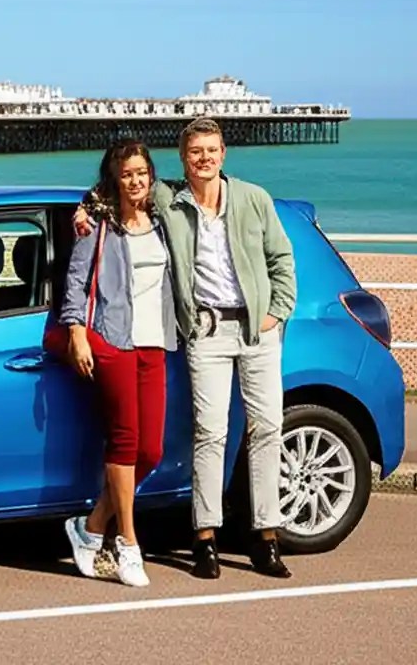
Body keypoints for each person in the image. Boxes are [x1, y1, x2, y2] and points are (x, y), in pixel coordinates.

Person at [75, 118, 296, 579]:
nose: (204, 158)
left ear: (224, 153)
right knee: (210, 434)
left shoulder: (254, 199)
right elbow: (121, 187)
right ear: (182, 159)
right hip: (207, 331)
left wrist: (277, 311)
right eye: (195, 151)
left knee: (268, 429)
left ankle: (266, 537)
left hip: (257, 330)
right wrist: (85, 208)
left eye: (211, 150)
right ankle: (205, 538)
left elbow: (282, 259)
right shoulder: (169, 200)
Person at [59, 139, 178, 588]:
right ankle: (128, 542)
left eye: (141, 173)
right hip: (114, 340)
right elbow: (76, 280)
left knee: (151, 451)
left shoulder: (164, 222)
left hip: (156, 343)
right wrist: (75, 331)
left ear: (150, 175)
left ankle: (90, 526)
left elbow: (196, 188)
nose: (135, 181)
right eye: (126, 174)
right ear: (115, 178)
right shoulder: (100, 225)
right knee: (125, 440)